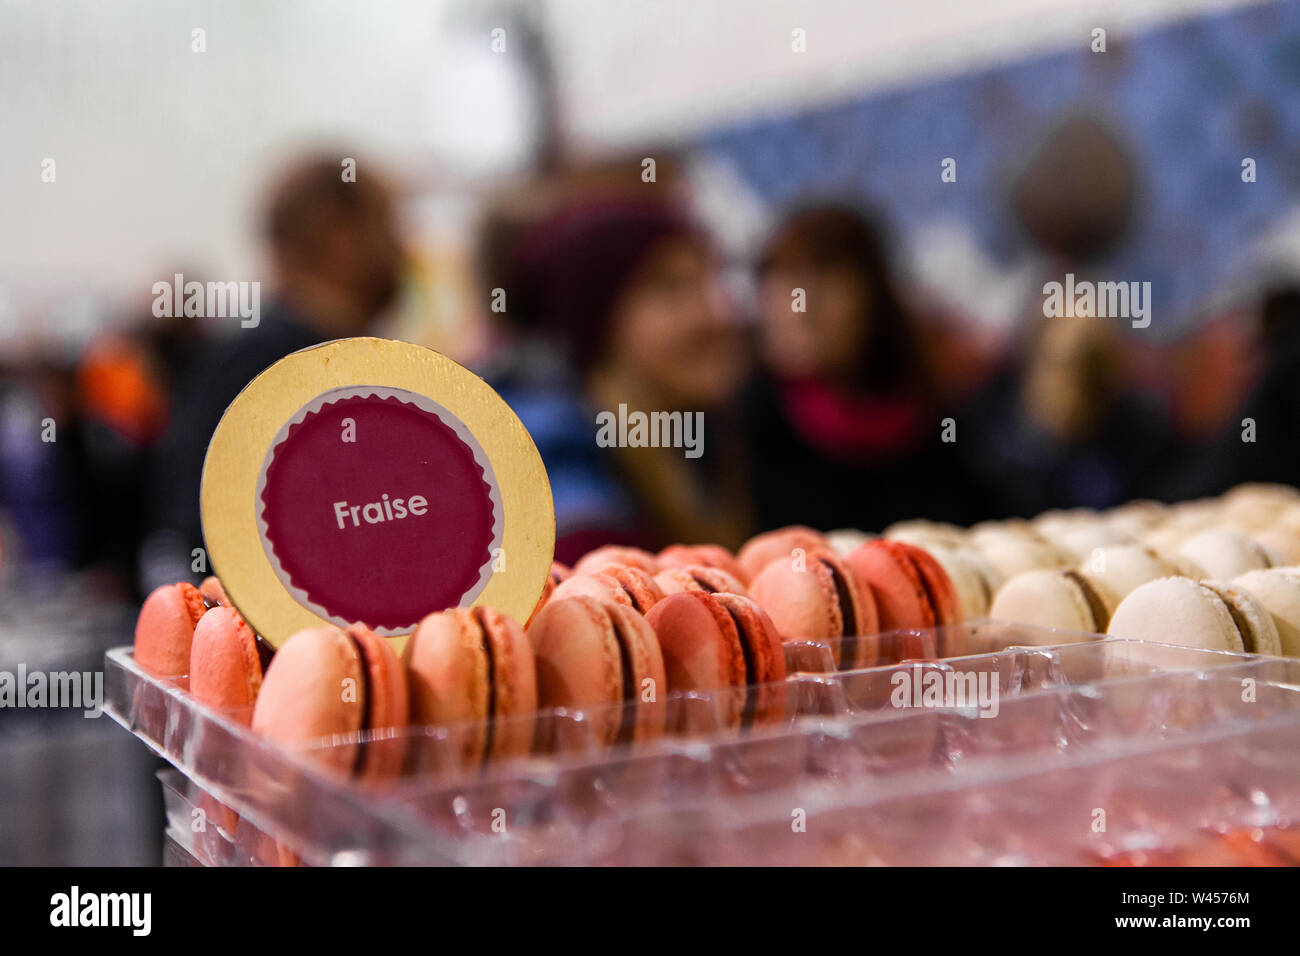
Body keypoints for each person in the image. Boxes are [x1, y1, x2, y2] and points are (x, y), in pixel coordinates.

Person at [141, 155, 405, 589]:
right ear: (340, 237)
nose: (402, 247)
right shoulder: (289, 365)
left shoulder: (243, 352)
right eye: (390, 225)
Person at [483, 199, 750, 562]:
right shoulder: (572, 509)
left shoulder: (705, 434)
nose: (715, 314)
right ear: (595, 324)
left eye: (709, 280)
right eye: (669, 289)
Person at [742, 202, 977, 533]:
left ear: (872, 298)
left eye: (823, 282)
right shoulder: (744, 427)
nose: (799, 309)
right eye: (779, 284)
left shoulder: (937, 419)